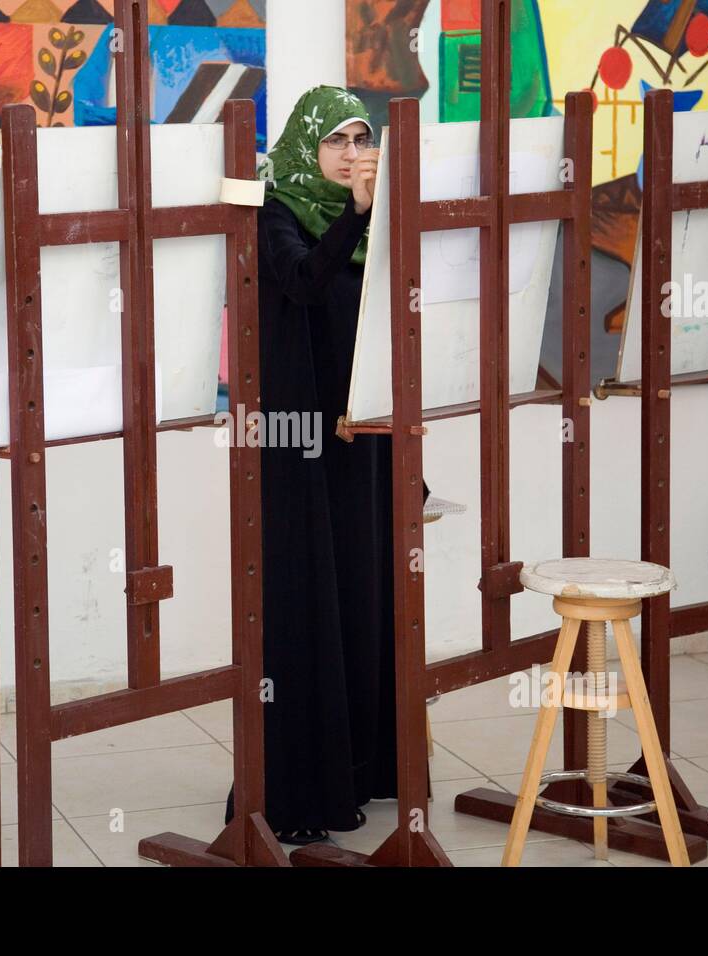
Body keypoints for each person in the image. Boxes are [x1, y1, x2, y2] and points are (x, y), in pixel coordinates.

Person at [224, 86, 428, 846]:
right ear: (307, 145)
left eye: (360, 139)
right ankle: (304, 786)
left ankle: (366, 769)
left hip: (363, 438)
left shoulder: (376, 224)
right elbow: (306, 282)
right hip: (301, 446)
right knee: (309, 598)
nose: (350, 154)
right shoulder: (273, 212)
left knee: (365, 592)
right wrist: (358, 215)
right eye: (336, 141)